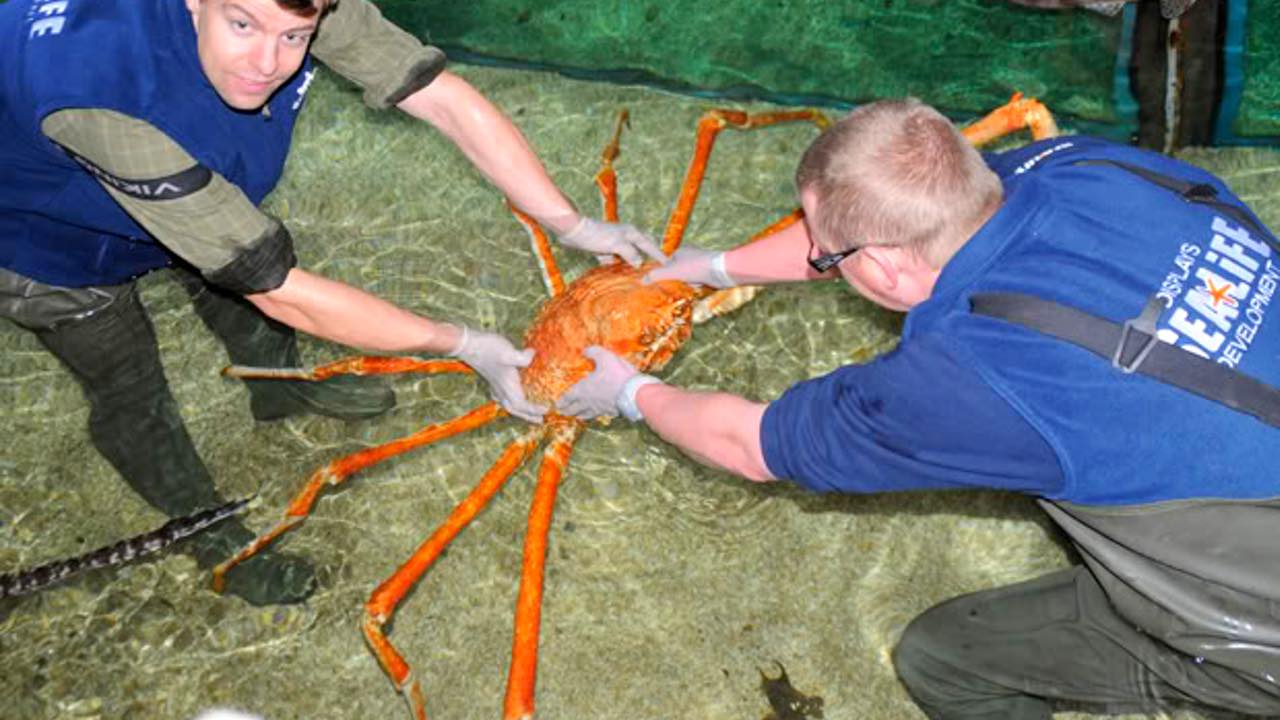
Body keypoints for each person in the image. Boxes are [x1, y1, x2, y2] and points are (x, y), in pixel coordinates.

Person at [559, 98, 1280, 717]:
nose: (822, 263)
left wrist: (629, 393)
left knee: (943, 659)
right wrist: (711, 267)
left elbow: (749, 446)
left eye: (829, 258)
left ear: (875, 268)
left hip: (1261, 624)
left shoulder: (962, 377)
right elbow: (889, 217)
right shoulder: (1084, 166)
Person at [1, 0, 664, 606]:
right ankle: (213, 535)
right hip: (44, 245)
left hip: (189, 182)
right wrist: (465, 345)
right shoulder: (93, 84)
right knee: (131, 387)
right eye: (242, 25)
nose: (269, 63)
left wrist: (572, 225)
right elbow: (279, 289)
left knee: (236, 268)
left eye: (296, 35)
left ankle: (282, 390)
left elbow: (445, 101)